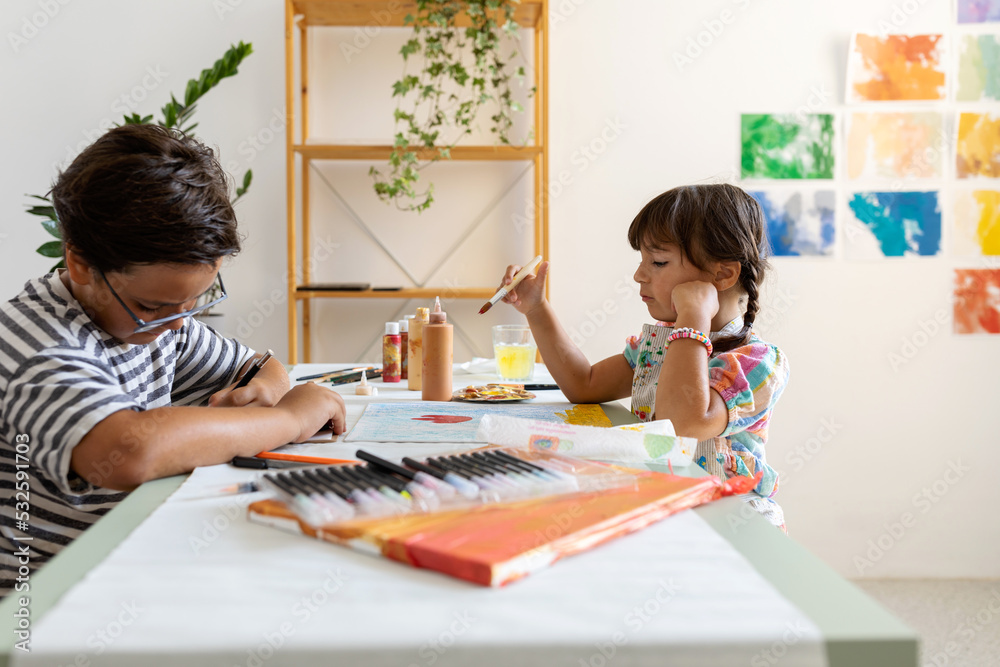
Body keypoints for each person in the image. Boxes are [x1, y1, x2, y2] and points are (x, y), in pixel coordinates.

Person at [0, 124, 346, 596]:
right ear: (80, 262)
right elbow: (128, 452)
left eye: (197, 301)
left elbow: (259, 367)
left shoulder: (158, 325)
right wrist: (288, 418)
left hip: (133, 572)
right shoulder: (35, 346)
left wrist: (265, 392)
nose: (180, 325)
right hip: (45, 608)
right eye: (152, 306)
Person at [498, 184, 790, 528]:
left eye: (658, 262)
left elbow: (684, 424)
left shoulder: (758, 363)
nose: (639, 275)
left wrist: (693, 316)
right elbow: (584, 384)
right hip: (668, 512)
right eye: (642, 261)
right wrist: (536, 308)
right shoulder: (659, 343)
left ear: (722, 275)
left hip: (735, 524)